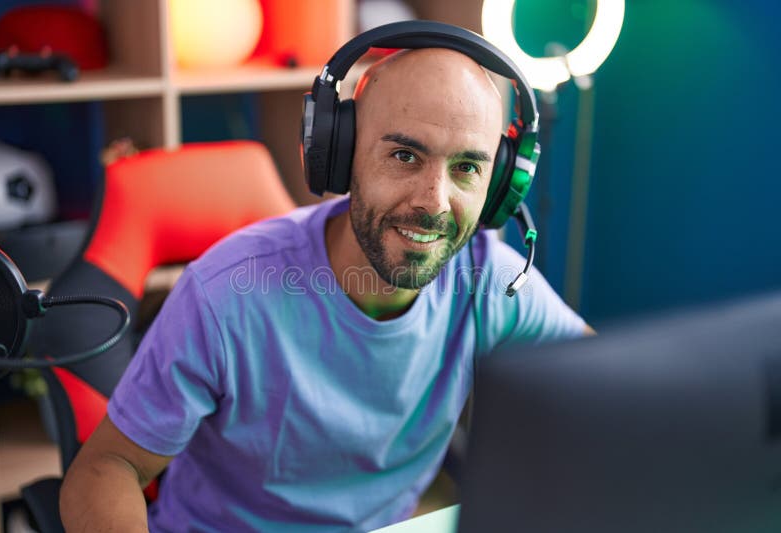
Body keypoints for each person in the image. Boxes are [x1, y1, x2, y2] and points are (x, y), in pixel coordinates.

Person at [60, 43, 591, 532]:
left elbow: (609, 391)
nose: (434, 201)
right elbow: (109, 467)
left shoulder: (491, 281)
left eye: (467, 168)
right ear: (340, 155)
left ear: (498, 187)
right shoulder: (227, 293)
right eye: (405, 156)